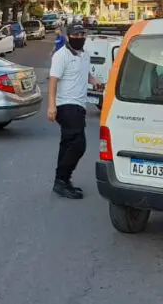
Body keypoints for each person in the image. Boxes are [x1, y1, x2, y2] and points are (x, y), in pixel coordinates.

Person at [46, 25, 100, 200]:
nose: (79, 36)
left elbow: (86, 74)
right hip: (66, 105)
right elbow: (53, 81)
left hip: (79, 105)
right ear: (68, 37)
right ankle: (62, 179)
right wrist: (51, 106)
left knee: (67, 144)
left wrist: (95, 81)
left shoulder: (84, 55)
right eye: (75, 34)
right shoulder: (61, 55)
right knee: (78, 145)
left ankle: (60, 181)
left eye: (82, 34)